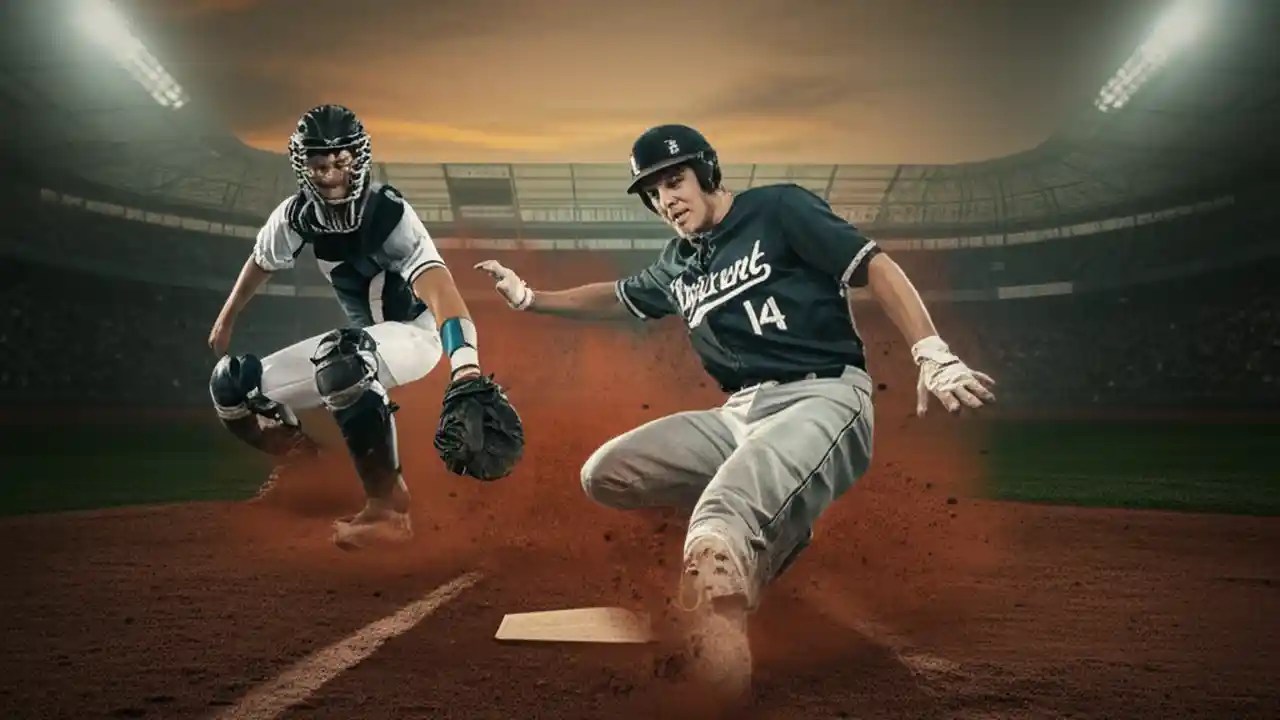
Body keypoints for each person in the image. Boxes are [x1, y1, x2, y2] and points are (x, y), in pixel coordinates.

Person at [475, 124, 995, 700]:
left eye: (675, 181)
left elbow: (874, 265)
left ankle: (718, 642)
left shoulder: (778, 209)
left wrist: (931, 351)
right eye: (653, 192)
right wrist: (530, 298)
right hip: (738, 412)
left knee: (721, 513)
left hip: (822, 396)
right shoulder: (677, 263)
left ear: (708, 172)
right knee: (606, 473)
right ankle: (765, 536)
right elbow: (616, 297)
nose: (666, 200)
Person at [207, 104, 523, 551]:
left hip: (417, 335)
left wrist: (465, 367)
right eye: (319, 164)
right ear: (302, 166)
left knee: (343, 359)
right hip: (367, 341)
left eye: (341, 161)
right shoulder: (296, 215)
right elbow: (262, 260)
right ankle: (308, 475)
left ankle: (389, 512)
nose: (331, 175)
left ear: (358, 159)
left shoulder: (389, 214)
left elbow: (442, 293)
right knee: (234, 387)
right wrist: (227, 317)